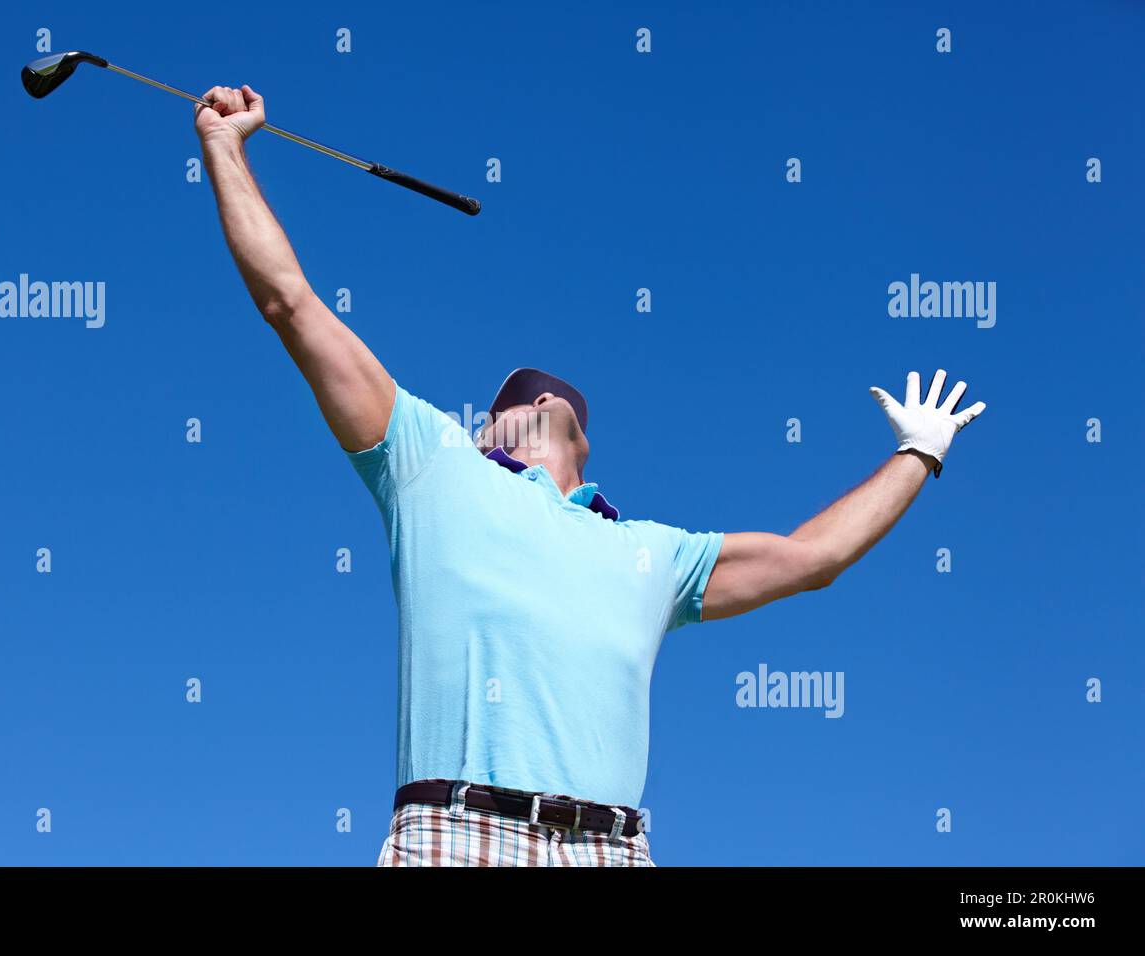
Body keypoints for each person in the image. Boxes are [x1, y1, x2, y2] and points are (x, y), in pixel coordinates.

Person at [193, 85, 987, 867]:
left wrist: (918, 454)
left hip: (613, 852)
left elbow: (813, 559)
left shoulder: (655, 553)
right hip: (455, 834)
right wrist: (225, 149)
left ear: (538, 409)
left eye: (487, 419)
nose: (472, 433)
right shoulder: (426, 466)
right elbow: (291, 303)